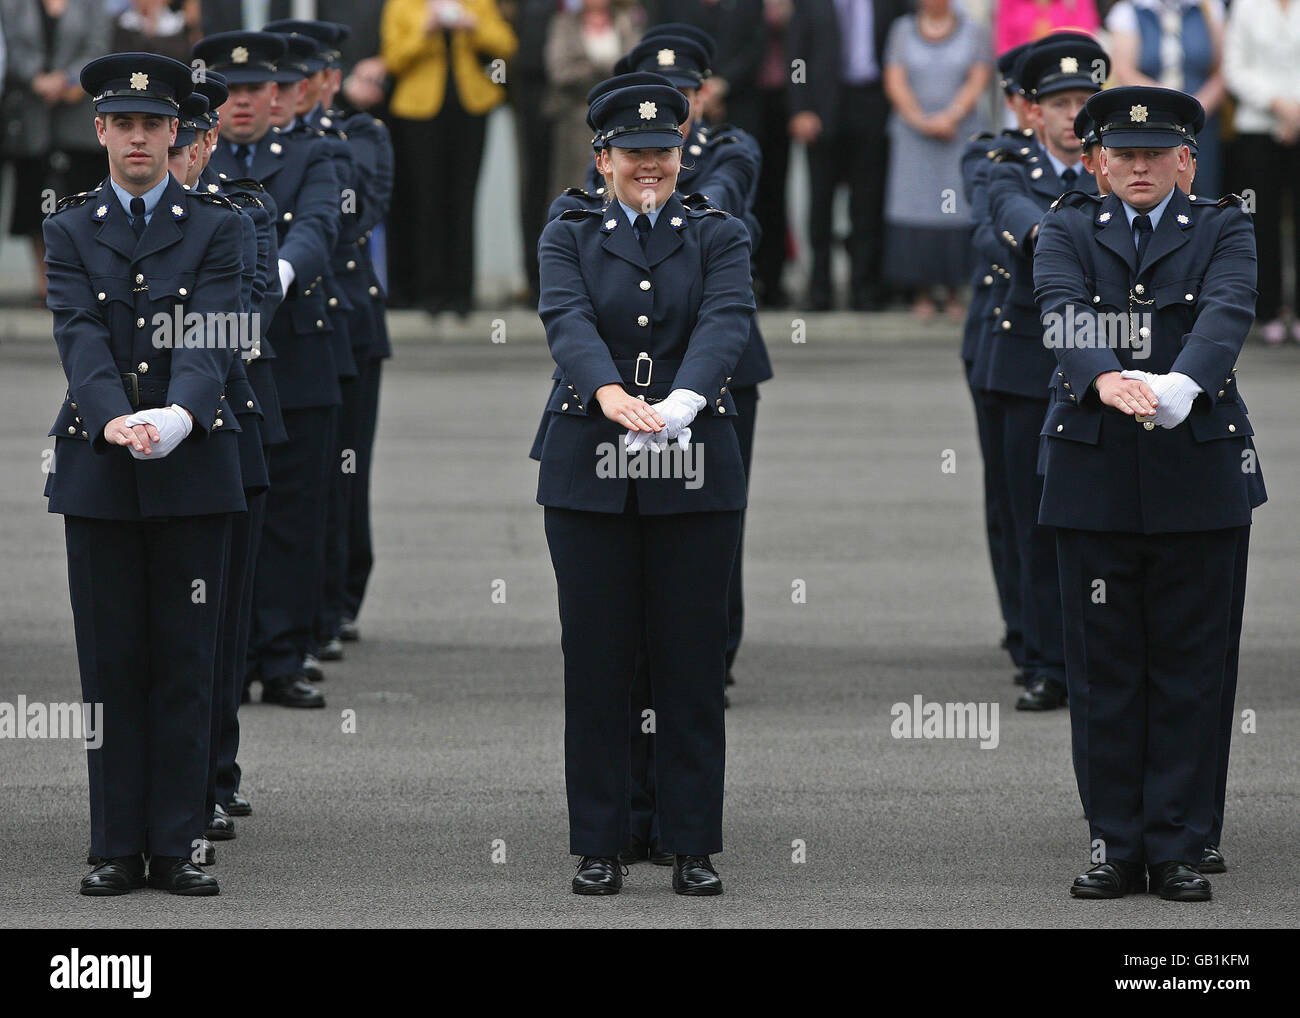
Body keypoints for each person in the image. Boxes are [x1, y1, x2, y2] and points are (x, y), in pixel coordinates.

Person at [1034, 85, 1266, 900]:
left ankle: (1178, 842)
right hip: (1094, 467)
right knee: (1104, 668)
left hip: (1198, 466)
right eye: (1122, 154)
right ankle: (1112, 841)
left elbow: (1228, 311)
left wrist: (1178, 387)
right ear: (1096, 161)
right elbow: (1058, 311)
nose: (1138, 166)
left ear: (1184, 161)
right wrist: (1105, 380)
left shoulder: (1222, 225)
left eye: (1154, 153)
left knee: (1191, 665)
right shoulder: (1065, 227)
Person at [537, 76, 754, 896]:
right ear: (604, 159)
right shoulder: (569, 230)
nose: (650, 166)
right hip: (591, 455)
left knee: (689, 660)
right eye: (634, 153)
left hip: (691, 456)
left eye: (663, 151)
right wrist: (609, 394)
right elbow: (566, 320)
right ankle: (603, 836)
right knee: (597, 658)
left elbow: (727, 320)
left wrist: (684, 401)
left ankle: (689, 838)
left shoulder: (716, 232)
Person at [46, 51, 247, 896]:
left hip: (192, 462)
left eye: (153, 126)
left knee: (185, 661)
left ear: (175, 135)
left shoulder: (217, 226)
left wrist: (179, 412)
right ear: (101, 132)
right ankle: (114, 846)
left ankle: (175, 845)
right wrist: (111, 413)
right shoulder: (68, 228)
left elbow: (218, 328)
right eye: (123, 125)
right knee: (111, 663)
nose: (138, 139)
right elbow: (79, 333)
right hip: (101, 464)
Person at [194, 29, 342, 709]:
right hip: (215, 359)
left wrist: (271, 279)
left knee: (293, 511)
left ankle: (282, 656)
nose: (245, 103)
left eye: (257, 90)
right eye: (233, 91)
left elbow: (317, 229)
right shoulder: (194, 160)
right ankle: (231, 656)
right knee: (231, 512)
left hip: (298, 347)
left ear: (278, 94)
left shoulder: (312, 153)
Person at [984, 32, 1107, 713]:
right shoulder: (1006, 164)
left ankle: (1096, 651)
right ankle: (1044, 659)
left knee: (1096, 518)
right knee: (1033, 519)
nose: (1070, 114)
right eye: (1057, 102)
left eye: (1083, 100)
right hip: (1027, 363)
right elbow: (1014, 218)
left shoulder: (1120, 167)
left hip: (1109, 362)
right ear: (1032, 112)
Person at [959, 41, 1036, 686]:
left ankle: (1055, 633)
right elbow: (990, 230)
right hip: (1002, 329)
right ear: (1017, 102)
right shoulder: (996, 155)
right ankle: (1026, 624)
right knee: (1011, 494)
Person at [380, 0, 517, 313]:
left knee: (463, 197)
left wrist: (472, 25)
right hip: (418, 111)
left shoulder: (476, 3)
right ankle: (428, 290)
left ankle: (461, 291)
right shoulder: (402, 5)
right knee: (426, 197)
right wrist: (424, 29)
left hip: (470, 108)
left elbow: (506, 45)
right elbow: (393, 58)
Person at [785, 0, 910, 310]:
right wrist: (800, 108)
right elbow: (796, 55)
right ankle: (819, 289)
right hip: (822, 108)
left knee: (868, 202)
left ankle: (865, 288)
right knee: (821, 203)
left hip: (872, 104)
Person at [882, 0, 991, 321]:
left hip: (959, 132)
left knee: (957, 205)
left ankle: (956, 290)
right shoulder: (902, 30)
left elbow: (978, 77)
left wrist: (950, 117)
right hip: (914, 136)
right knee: (916, 205)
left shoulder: (973, 30)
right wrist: (921, 121)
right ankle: (922, 291)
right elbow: (895, 79)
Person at [1, 0, 109, 302]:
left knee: (81, 198)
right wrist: (36, 78)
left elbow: (98, 46)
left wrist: (65, 79)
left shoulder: (92, 5)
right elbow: (10, 47)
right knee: (34, 200)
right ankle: (45, 283)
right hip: (32, 116)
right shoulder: (13, 6)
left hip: (77, 115)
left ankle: (80, 279)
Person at [1222, 0, 1300, 344]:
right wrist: (1277, 105)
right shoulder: (1245, 6)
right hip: (1256, 126)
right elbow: (1234, 69)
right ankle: (1267, 310)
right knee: (1260, 218)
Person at [1104, 0, 1225, 198]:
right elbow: (1124, 70)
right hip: (1150, 124)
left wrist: (1198, 107)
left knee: (1204, 195)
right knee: (1154, 192)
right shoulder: (1127, 12)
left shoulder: (1209, 7)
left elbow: (1223, 68)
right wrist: (1173, 105)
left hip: (1202, 122)